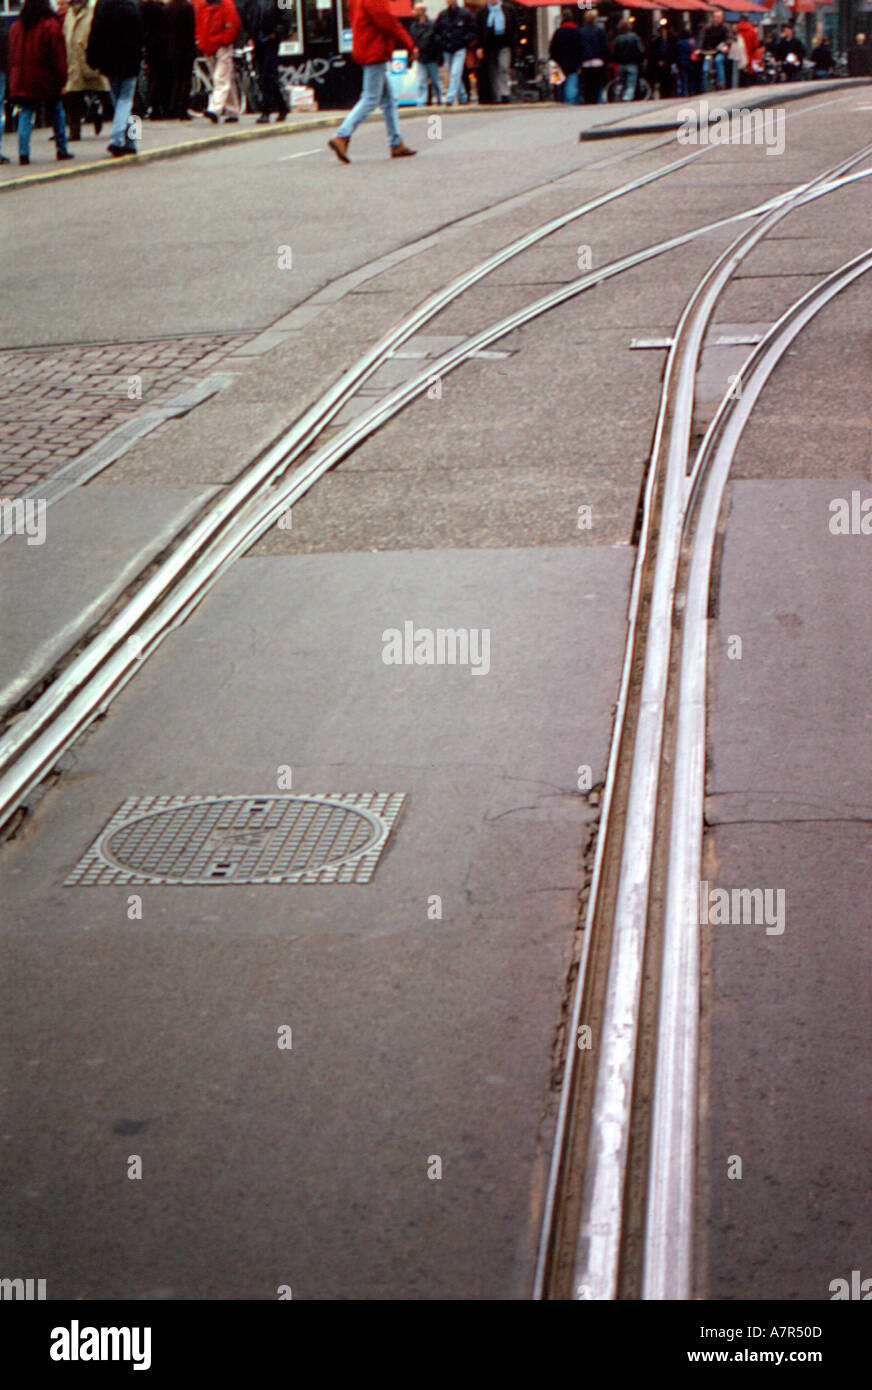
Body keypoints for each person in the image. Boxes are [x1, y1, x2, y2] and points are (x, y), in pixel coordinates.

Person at [327, 0, 416, 163]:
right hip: (374, 50)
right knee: (370, 98)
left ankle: (396, 143)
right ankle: (342, 135)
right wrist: (410, 44)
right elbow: (388, 23)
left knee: (389, 100)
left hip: (365, 47)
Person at [8, 0, 73, 164]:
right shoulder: (50, 24)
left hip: (22, 78)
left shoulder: (16, 27)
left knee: (26, 112)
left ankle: (23, 153)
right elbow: (58, 56)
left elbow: (11, 55)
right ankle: (62, 148)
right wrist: (63, 79)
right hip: (45, 78)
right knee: (57, 110)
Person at [87, 0, 144, 154]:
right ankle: (122, 140)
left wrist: (92, 58)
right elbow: (141, 34)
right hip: (131, 61)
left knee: (119, 102)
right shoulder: (133, 6)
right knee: (126, 101)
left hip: (110, 61)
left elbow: (95, 33)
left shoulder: (102, 6)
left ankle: (128, 141)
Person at [63, 0, 112, 139]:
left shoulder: (94, 10)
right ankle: (75, 132)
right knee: (73, 99)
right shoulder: (70, 14)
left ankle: (133, 134)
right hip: (74, 63)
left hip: (92, 62)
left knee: (110, 100)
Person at [192, 0, 241, 122]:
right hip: (214, 45)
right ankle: (233, 111)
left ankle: (215, 109)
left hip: (217, 46)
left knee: (220, 78)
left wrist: (204, 41)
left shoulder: (207, 5)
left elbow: (232, 25)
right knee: (223, 79)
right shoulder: (221, 5)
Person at [243, 0, 289, 122]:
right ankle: (282, 106)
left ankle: (266, 111)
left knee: (266, 75)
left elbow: (286, 17)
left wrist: (276, 33)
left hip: (271, 41)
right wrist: (249, 36)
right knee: (266, 76)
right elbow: (247, 16)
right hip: (257, 41)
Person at [434, 0, 475, 107]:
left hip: (458, 48)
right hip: (447, 48)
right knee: (454, 73)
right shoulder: (442, 15)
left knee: (455, 73)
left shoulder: (465, 14)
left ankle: (450, 97)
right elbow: (436, 32)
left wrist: (463, 41)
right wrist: (441, 43)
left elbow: (472, 30)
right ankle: (462, 96)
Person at [475, 0, 516, 106]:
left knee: (503, 67)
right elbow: (478, 30)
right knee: (493, 70)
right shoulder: (482, 12)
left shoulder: (508, 9)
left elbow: (514, 27)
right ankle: (496, 94)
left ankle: (505, 93)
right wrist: (479, 46)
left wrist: (516, 44)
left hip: (504, 44)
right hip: (489, 45)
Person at [166, 0, 196, 117]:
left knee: (177, 79)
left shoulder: (168, 7)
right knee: (186, 79)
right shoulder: (188, 7)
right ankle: (183, 109)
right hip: (187, 47)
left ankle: (173, 108)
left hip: (173, 47)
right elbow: (192, 26)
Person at [142, 0, 171, 115]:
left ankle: (153, 106)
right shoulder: (161, 9)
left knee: (152, 77)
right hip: (162, 47)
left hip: (150, 47)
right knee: (162, 78)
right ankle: (160, 106)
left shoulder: (141, 8)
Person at [549, 8, 582, 106]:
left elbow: (552, 49)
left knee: (559, 88)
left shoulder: (558, 33)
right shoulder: (577, 32)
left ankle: (560, 103)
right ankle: (569, 106)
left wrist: (554, 61)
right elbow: (581, 49)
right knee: (571, 89)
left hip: (558, 65)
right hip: (573, 65)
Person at [410, 3, 441, 105]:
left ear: (422, 11)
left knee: (435, 80)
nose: (413, 12)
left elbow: (430, 39)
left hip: (431, 55)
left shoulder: (432, 24)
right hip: (421, 57)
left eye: (416, 10)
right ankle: (422, 101)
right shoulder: (414, 26)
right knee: (422, 81)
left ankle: (439, 98)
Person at [578, 9, 607, 106]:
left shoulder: (581, 31)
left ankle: (588, 101)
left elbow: (579, 47)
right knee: (597, 84)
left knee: (587, 85)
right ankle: (596, 101)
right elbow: (604, 46)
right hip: (597, 61)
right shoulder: (600, 30)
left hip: (585, 62)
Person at [611, 16, 643, 101]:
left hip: (621, 64)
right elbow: (640, 50)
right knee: (631, 83)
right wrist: (640, 60)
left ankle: (619, 95)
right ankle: (627, 98)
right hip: (632, 63)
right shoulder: (634, 37)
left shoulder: (617, 38)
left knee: (623, 82)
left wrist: (616, 61)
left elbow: (614, 53)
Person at [700, 7, 730, 90]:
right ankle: (705, 87)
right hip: (709, 52)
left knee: (718, 60)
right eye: (717, 17)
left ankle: (721, 83)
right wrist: (699, 48)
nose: (719, 19)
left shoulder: (725, 27)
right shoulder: (707, 28)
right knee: (705, 68)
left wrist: (726, 45)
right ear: (713, 18)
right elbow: (702, 39)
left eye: (720, 17)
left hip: (719, 51)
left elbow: (729, 37)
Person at [735, 14, 761, 86]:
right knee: (750, 73)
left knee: (740, 73)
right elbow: (755, 44)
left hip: (739, 55)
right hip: (750, 54)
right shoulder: (752, 30)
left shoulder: (736, 30)